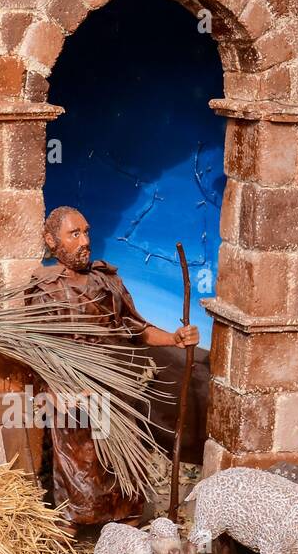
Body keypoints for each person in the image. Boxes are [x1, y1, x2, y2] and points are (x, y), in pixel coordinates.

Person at [26, 206, 199, 531]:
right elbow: (37, 350)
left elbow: (138, 328)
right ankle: (70, 548)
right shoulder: (44, 290)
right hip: (72, 400)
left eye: (86, 232)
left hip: (115, 393)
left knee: (126, 490)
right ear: (51, 241)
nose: (84, 241)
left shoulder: (107, 282)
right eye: (73, 234)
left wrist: (175, 338)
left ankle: (127, 537)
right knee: (78, 486)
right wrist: (57, 390)